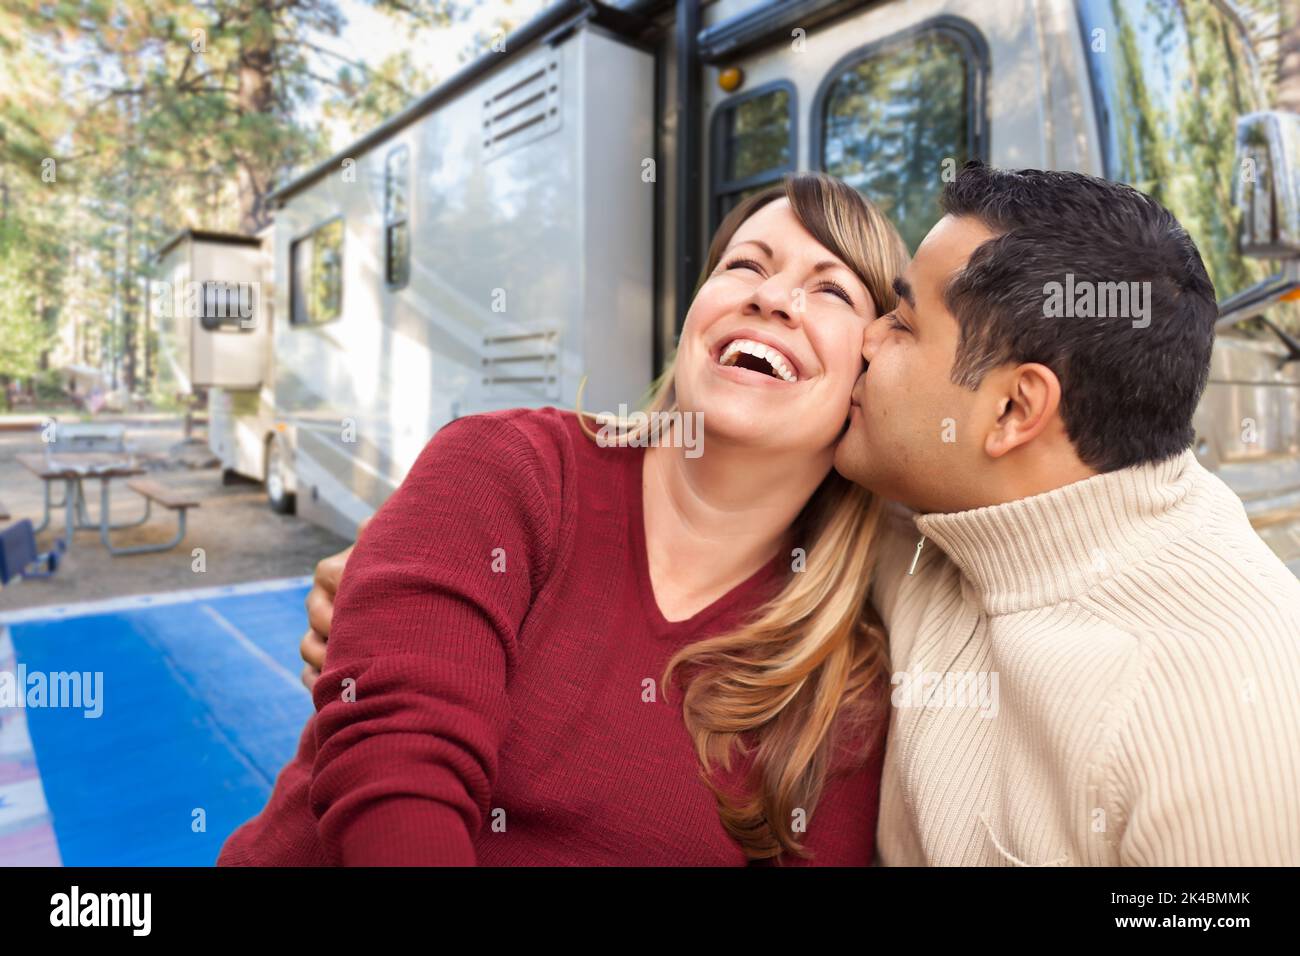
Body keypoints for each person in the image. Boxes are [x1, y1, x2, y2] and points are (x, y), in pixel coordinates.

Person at [302, 164, 1300, 867]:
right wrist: (406, 585)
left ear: (1009, 411)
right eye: (742, 265)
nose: (783, 305)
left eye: (888, 319)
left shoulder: (1233, 706)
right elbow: (398, 728)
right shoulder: (928, 530)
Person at [217, 171, 909, 866]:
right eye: (744, 266)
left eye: (829, 290)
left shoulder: (842, 683)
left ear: (869, 378)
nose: (769, 296)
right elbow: (395, 776)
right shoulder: (505, 466)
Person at [834, 163, 1300, 865]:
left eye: (902, 322)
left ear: (1015, 409)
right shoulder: (944, 516)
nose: (864, 340)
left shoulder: (1232, 716)